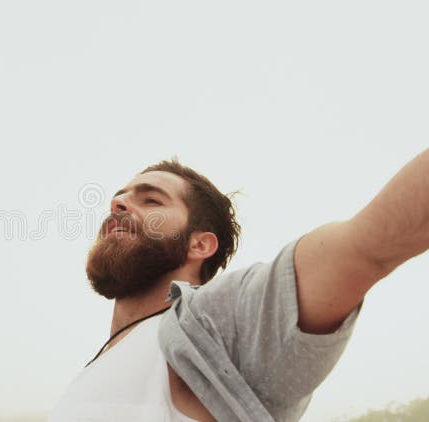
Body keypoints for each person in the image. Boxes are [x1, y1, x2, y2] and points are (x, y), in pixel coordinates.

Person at [48, 151, 429, 422]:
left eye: (151, 200)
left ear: (200, 244)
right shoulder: (97, 368)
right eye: (120, 198)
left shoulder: (210, 324)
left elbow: (365, 247)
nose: (118, 204)